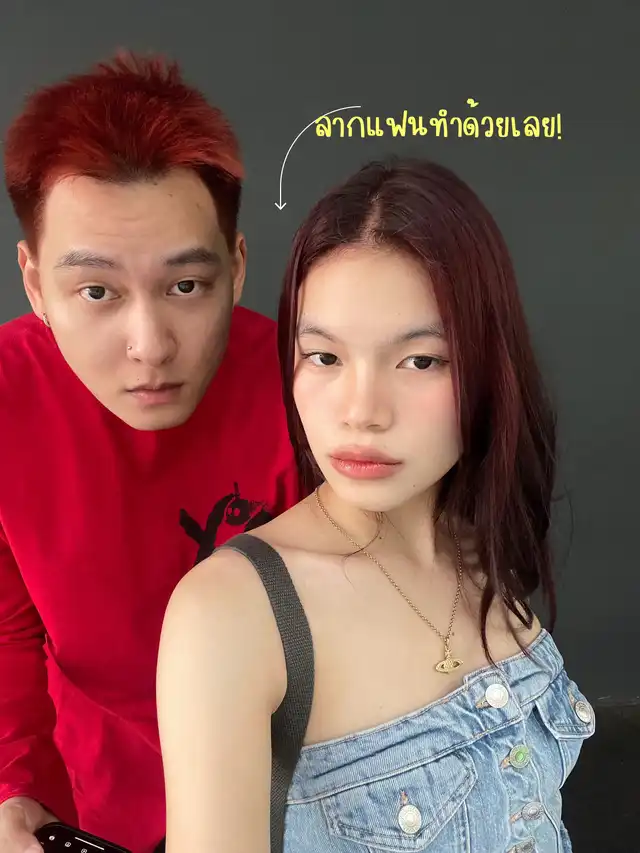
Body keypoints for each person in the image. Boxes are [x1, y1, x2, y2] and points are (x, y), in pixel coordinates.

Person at [157, 157, 596, 853]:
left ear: (489, 364)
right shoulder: (235, 614)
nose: (361, 411)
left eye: (420, 360)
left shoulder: (478, 542)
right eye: (325, 357)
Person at [0, 53, 303, 853]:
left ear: (236, 266)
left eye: (185, 286)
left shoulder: (313, 390)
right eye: (97, 291)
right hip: (92, 797)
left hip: (296, 787)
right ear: (34, 284)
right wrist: (15, 786)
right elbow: (6, 633)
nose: (149, 346)